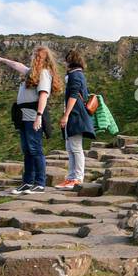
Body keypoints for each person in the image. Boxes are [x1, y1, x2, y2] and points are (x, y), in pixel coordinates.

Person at [0, 48, 61, 195]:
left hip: (32, 116)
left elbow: (43, 95)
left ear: (42, 59)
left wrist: (39, 116)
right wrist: (4, 60)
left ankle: (40, 183)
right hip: (24, 117)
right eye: (34, 55)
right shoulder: (32, 72)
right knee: (27, 150)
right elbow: (18, 66)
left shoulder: (44, 73)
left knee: (35, 149)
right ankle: (27, 182)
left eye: (36, 56)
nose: (33, 58)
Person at [57, 49, 96, 190]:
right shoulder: (77, 74)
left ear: (71, 61)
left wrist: (66, 115)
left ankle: (77, 178)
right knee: (70, 147)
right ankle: (71, 177)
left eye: (66, 60)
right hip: (75, 114)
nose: (64, 63)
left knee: (76, 147)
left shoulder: (75, 75)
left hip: (76, 115)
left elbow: (73, 95)